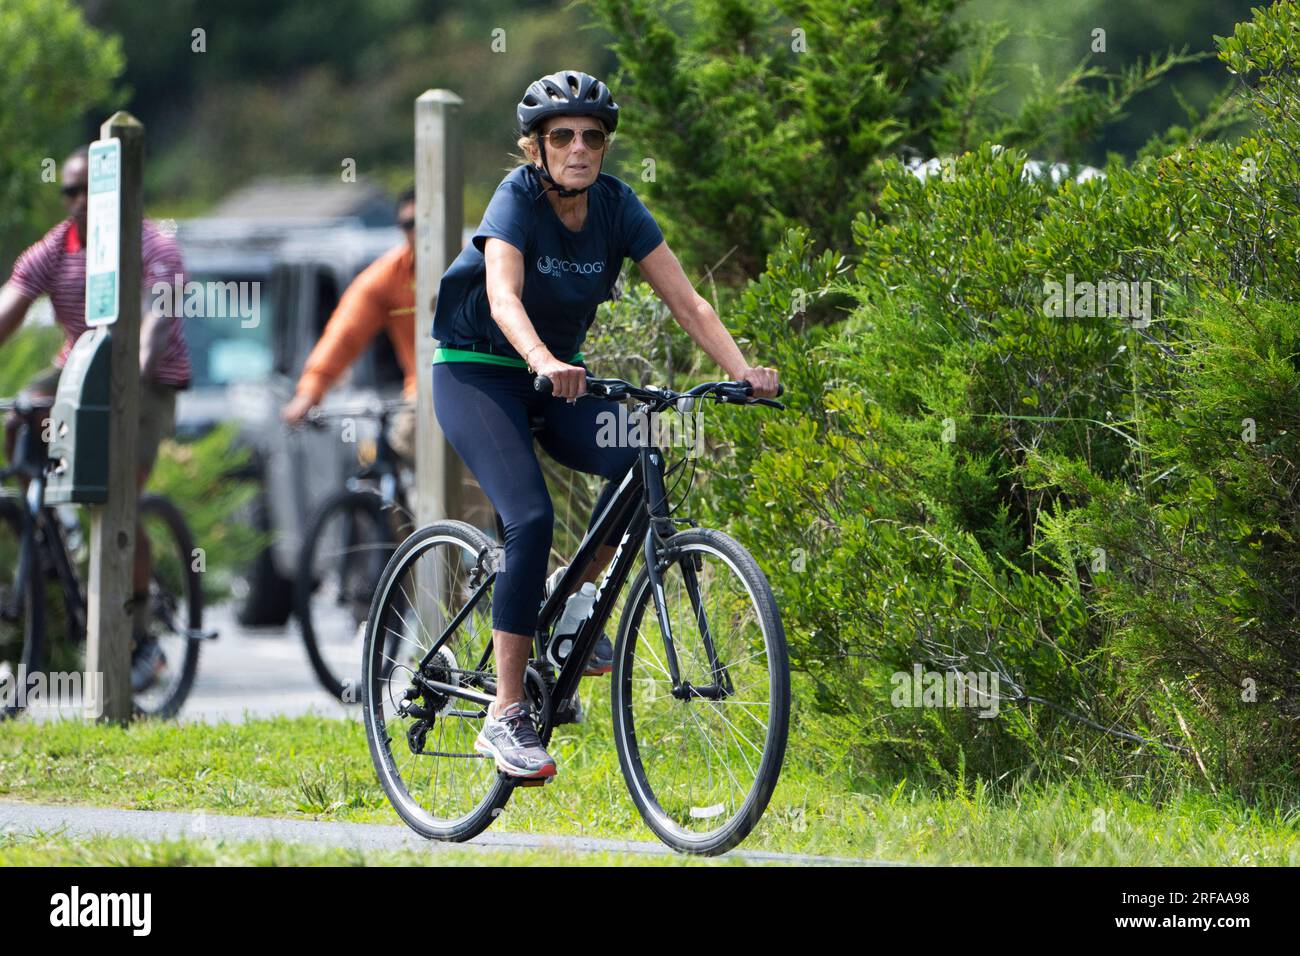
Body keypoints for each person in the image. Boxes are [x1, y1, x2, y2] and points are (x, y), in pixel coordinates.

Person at [431, 70, 779, 780]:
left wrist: (744, 370)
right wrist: (540, 358)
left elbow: (691, 305)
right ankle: (503, 715)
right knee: (528, 516)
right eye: (563, 136)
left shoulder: (619, 209)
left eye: (594, 136)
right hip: (477, 371)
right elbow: (502, 295)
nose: (580, 148)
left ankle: (571, 600)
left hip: (561, 376)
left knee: (636, 453)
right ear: (536, 148)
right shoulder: (515, 201)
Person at [0, 145, 193, 691]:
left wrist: (129, 375)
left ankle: (139, 629)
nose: (80, 201)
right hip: (78, 366)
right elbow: (10, 303)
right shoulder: (56, 247)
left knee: (116, 490)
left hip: (148, 379)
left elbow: (158, 316)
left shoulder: (151, 244)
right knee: (22, 410)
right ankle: (45, 517)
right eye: (70, 191)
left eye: (92, 189)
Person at [281, 188, 418, 462]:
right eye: (408, 224)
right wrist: (311, 391)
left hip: (477, 387)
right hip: (420, 393)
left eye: (426, 222)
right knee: (406, 437)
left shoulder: (475, 263)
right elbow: (345, 333)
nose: (417, 232)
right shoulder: (388, 276)